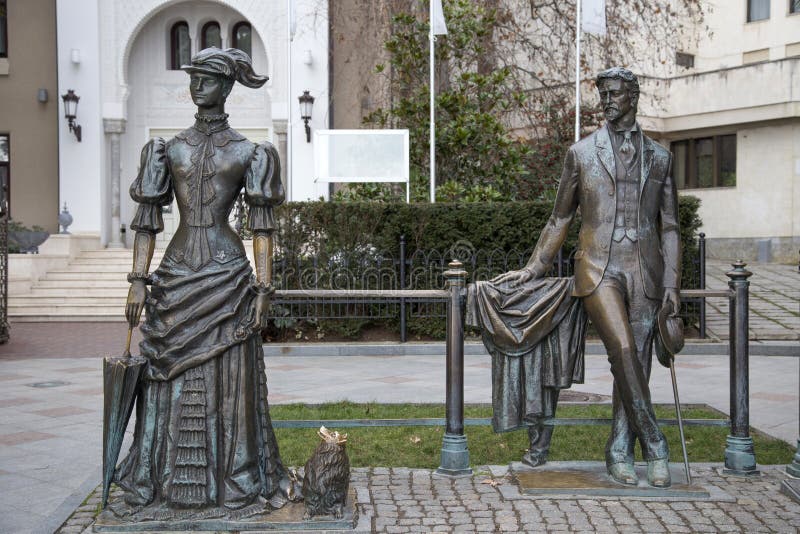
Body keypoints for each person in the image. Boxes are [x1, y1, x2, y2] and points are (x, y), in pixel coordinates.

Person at [106, 48, 300, 522]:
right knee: (161, 375)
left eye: (208, 78)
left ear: (227, 85)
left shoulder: (250, 153)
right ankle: (159, 481)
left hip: (227, 275)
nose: (197, 86)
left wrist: (263, 287)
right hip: (175, 278)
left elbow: (262, 228)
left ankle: (235, 479)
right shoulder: (166, 149)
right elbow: (147, 221)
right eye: (194, 77)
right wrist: (137, 281)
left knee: (231, 380)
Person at [493, 67, 680, 488]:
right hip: (598, 268)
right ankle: (655, 443)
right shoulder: (581, 154)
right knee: (624, 347)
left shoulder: (662, 158)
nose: (606, 102)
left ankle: (619, 451)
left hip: (646, 271)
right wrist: (532, 268)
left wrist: (671, 285)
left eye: (613, 94)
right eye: (603, 95)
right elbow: (559, 217)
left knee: (636, 364)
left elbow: (670, 227)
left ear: (633, 96)